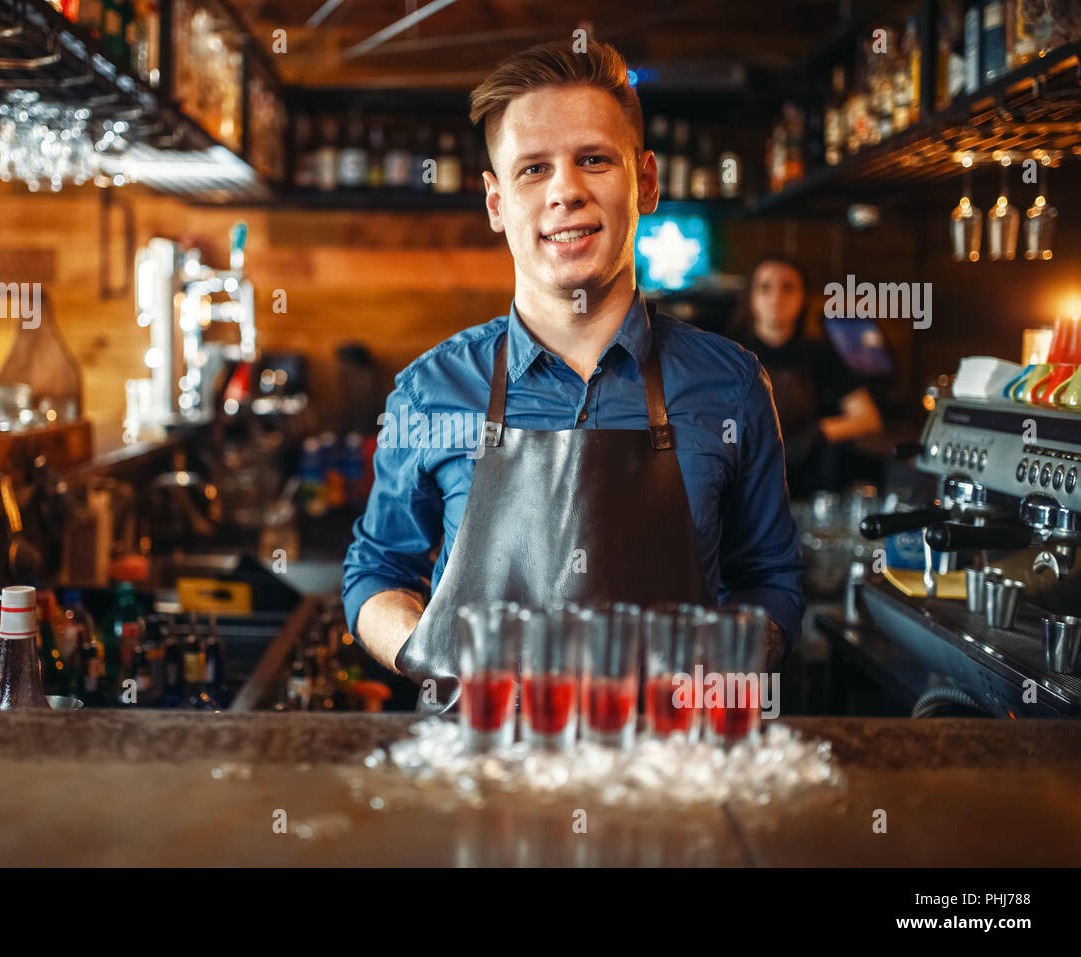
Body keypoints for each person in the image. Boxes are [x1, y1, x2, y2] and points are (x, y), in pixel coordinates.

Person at [342, 40, 804, 711]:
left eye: (594, 159)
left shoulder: (732, 384)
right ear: (497, 203)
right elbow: (376, 570)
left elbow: (772, 581)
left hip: (671, 777)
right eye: (534, 169)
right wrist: (432, 653)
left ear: (644, 180)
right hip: (473, 779)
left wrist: (723, 659)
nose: (566, 191)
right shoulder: (430, 390)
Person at [728, 257, 883, 498]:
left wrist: (817, 432)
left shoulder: (820, 354)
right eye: (765, 287)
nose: (777, 296)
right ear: (750, 297)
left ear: (802, 297)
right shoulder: (727, 354)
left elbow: (868, 418)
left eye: (788, 287)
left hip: (805, 487)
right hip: (743, 484)